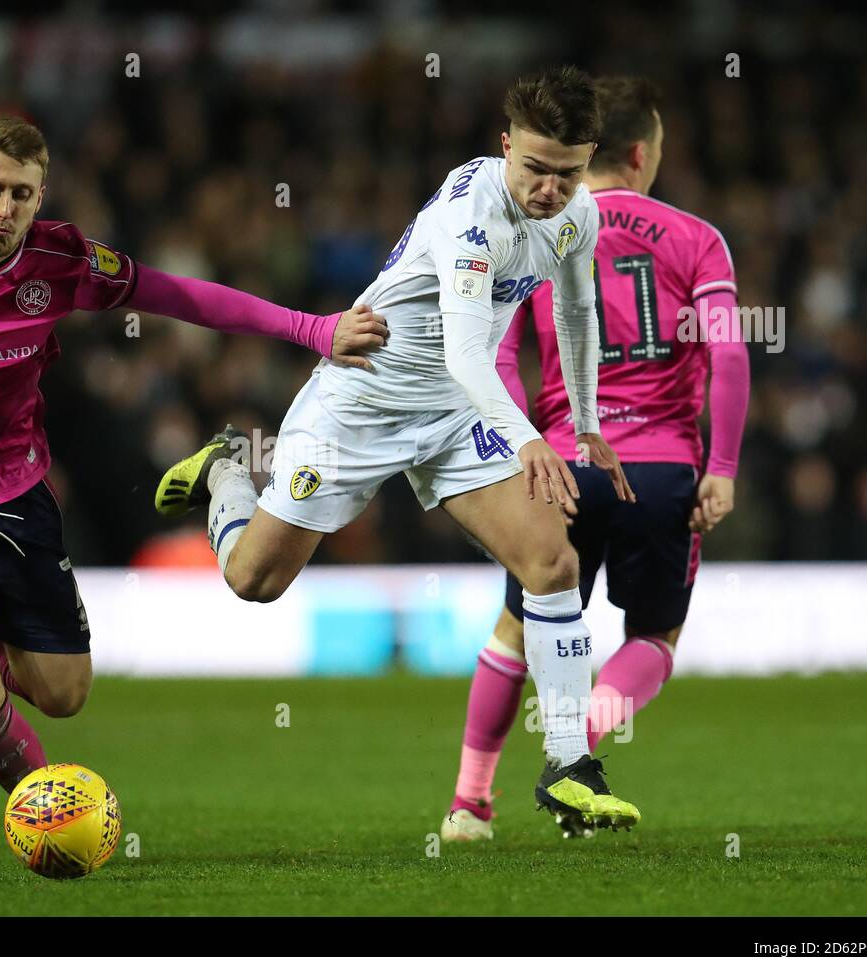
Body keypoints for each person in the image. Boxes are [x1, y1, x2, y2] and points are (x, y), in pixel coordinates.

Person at [0, 113, 386, 793]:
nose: (4, 208)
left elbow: (178, 295)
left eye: (21, 194)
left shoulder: (62, 261)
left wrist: (311, 328)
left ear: (40, 197)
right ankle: (47, 810)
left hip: (14, 496)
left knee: (65, 693)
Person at [157, 67, 641, 835]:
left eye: (569, 173)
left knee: (553, 563)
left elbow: (578, 314)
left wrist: (585, 424)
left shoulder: (576, 216)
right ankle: (225, 471)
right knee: (254, 581)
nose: (550, 189)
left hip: (454, 416)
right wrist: (529, 442)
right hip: (363, 399)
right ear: (506, 144)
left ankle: (567, 764)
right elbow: (466, 354)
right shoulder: (469, 218)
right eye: (536, 170)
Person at [441, 76, 749, 841]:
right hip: (661, 468)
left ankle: (468, 804)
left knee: (517, 629)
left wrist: (520, 446)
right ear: (643, 153)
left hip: (562, 463)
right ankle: (572, 759)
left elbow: (496, 350)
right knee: (653, 641)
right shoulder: (696, 238)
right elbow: (732, 354)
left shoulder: (535, 227)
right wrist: (725, 468)